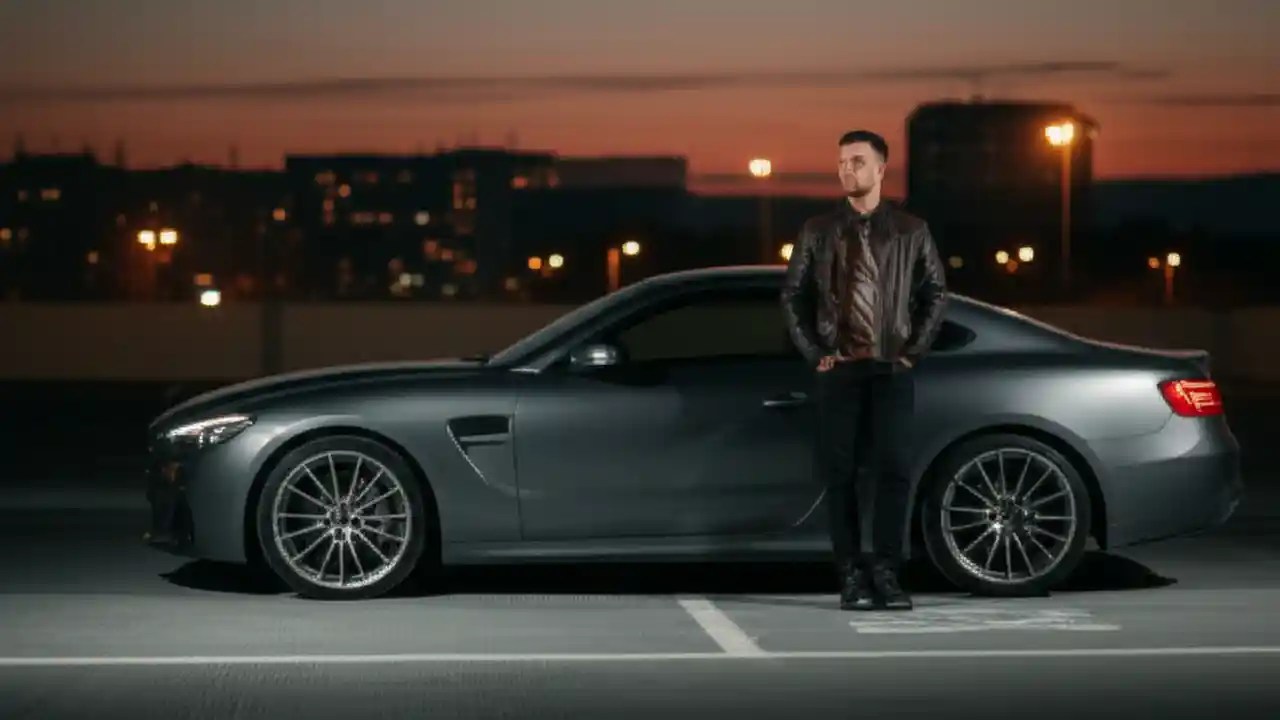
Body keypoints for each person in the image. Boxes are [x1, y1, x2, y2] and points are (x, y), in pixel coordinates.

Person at [781, 129, 947, 611]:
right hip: (840, 370)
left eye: (856, 161)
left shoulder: (912, 230)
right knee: (842, 477)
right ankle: (851, 576)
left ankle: (890, 574)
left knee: (894, 473)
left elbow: (936, 293)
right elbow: (793, 295)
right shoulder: (818, 229)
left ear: (880, 169)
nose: (846, 170)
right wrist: (816, 354)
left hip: (892, 370)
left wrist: (912, 352)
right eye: (841, 162)